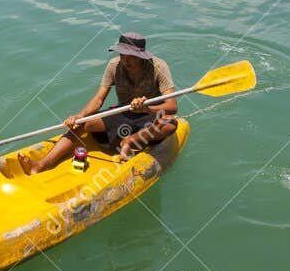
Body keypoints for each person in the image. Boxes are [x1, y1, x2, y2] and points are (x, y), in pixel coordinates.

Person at [22, 32, 179, 175]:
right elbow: (98, 99)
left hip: (148, 116)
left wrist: (147, 108)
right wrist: (79, 116)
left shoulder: (158, 67)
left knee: (170, 123)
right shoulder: (113, 65)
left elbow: (172, 106)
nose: (126, 60)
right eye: (123, 54)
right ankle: (41, 165)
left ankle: (130, 141)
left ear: (141, 56)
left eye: (131, 56)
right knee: (81, 124)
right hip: (122, 112)